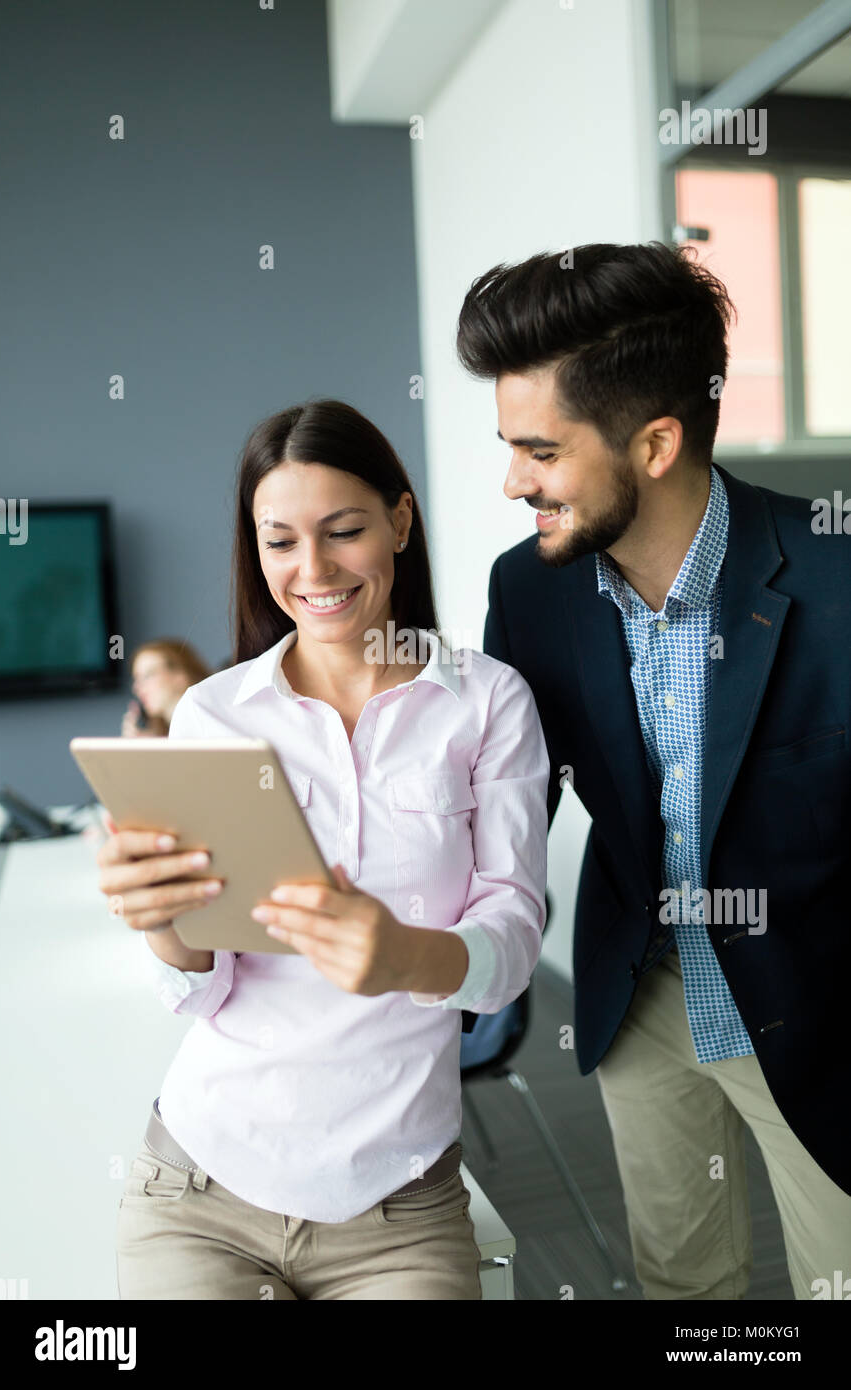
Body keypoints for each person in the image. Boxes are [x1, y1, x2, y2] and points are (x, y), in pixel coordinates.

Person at [456, 241, 851, 1300]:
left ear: (656, 442)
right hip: (641, 994)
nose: (511, 482)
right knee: (680, 1289)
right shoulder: (530, 589)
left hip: (821, 1008)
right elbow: (504, 800)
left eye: (538, 451)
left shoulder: (835, 576)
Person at [96, 398, 548, 1300]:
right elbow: (202, 977)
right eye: (280, 543)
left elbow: (511, 950)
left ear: (401, 522)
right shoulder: (214, 715)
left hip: (397, 1210)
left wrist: (403, 954)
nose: (313, 571)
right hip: (200, 1184)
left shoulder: (486, 703)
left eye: (344, 531)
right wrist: (160, 923)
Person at [121, 639, 211, 737]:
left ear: (181, 675)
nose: (136, 687)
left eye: (147, 675)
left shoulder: (209, 726)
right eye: (136, 679)